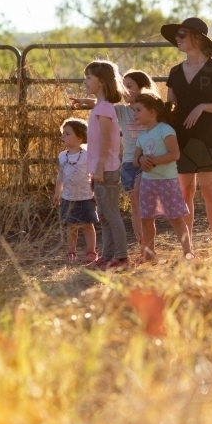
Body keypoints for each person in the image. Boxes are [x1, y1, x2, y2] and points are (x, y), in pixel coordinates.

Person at [161, 18, 212, 262]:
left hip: (208, 137)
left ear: (197, 37)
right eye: (177, 35)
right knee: (185, 192)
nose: (178, 39)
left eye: (182, 34)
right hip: (180, 137)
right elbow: (169, 107)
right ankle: (188, 251)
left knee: (211, 192)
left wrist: (203, 106)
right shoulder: (174, 72)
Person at [131, 92, 192, 261]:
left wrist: (153, 161)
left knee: (175, 218)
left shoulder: (165, 130)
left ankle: (188, 251)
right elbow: (135, 160)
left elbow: (175, 154)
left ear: (152, 112)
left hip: (167, 181)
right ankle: (150, 255)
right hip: (148, 183)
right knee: (146, 218)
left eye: (138, 110)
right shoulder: (142, 135)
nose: (134, 114)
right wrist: (141, 159)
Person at [83, 60, 129, 270]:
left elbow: (105, 140)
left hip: (106, 169)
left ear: (100, 81)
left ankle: (121, 256)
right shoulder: (101, 107)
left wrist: (100, 166)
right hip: (100, 169)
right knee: (104, 215)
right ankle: (108, 254)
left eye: (89, 78)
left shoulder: (104, 109)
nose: (86, 81)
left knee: (111, 214)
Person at [117, 70, 155, 251]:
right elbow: (102, 105)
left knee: (147, 206)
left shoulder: (152, 111)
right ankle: (142, 245)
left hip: (150, 162)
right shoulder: (122, 110)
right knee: (136, 205)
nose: (124, 90)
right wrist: (88, 103)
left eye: (129, 86)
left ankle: (149, 245)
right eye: (122, 86)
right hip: (130, 163)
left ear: (142, 89)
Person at [53, 118, 99, 264]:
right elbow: (60, 176)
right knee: (71, 225)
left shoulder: (87, 155)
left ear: (79, 137)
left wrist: (96, 194)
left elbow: (93, 176)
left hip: (85, 196)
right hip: (68, 197)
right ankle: (71, 251)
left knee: (87, 224)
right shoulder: (62, 156)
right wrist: (57, 193)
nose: (63, 136)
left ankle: (91, 251)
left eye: (67, 134)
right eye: (63, 133)